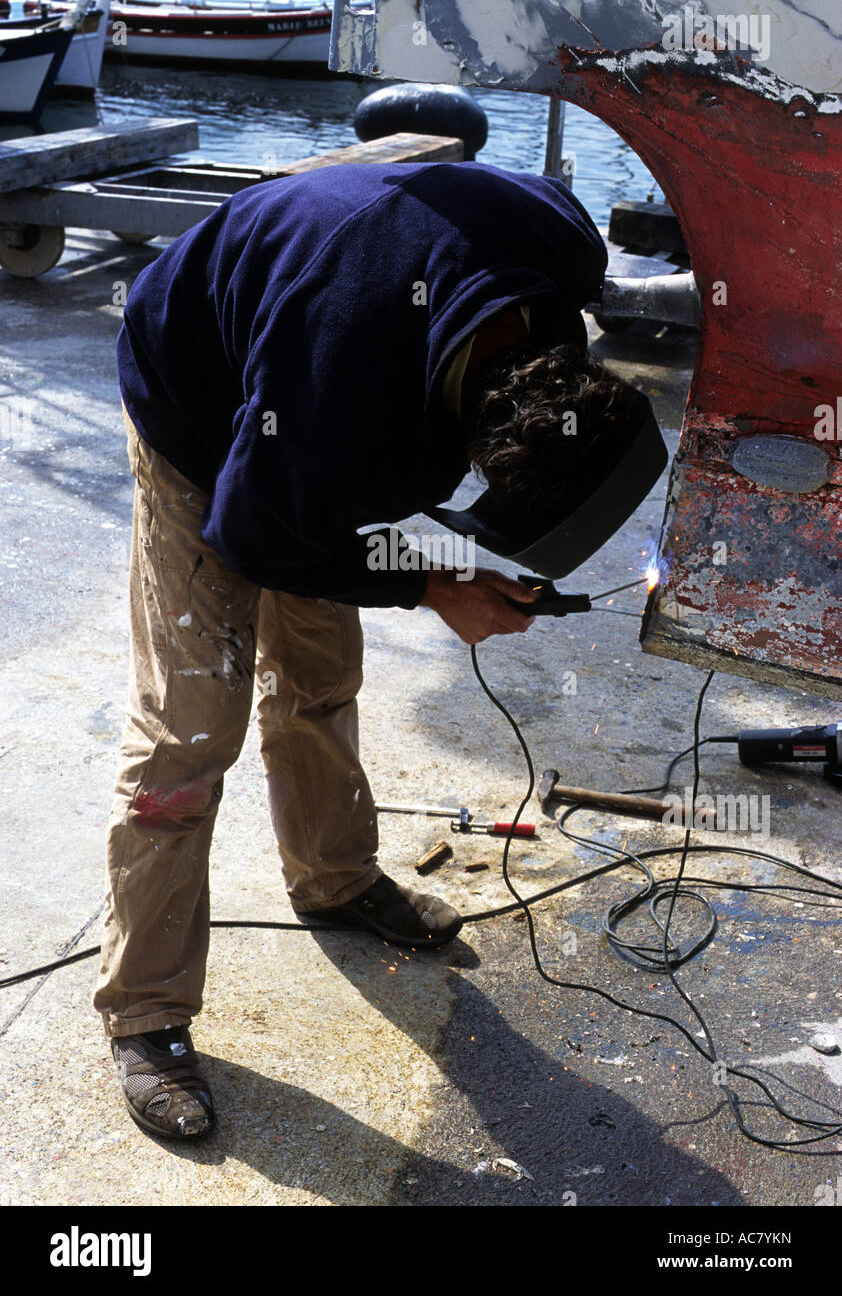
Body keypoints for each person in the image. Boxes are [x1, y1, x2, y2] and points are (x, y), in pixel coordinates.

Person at [95, 159, 646, 1140]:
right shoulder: (335, 383)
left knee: (317, 673)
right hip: (197, 394)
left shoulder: (559, 257)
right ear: (463, 443)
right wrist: (427, 580)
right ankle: (146, 1012)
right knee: (190, 725)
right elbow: (252, 535)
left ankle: (334, 877)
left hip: (317, 359)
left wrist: (444, 557)